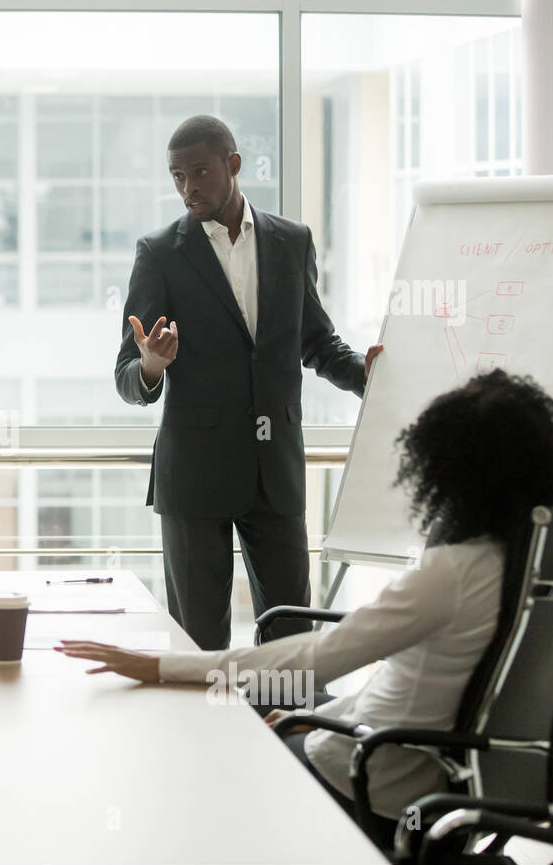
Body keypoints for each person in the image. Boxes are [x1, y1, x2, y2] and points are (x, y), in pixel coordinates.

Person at [58, 370, 553, 833]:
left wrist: (162, 666)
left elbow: (313, 659)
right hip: (437, 775)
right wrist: (321, 717)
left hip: (370, 779)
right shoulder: (537, 560)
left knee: (203, 785)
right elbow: (416, 685)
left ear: (451, 471)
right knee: (266, 732)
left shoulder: (453, 574)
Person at [114, 114, 383, 651]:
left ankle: (286, 736)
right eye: (176, 175)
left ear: (233, 165)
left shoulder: (291, 241)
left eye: (200, 171)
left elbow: (316, 341)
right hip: (194, 479)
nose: (188, 187)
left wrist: (367, 377)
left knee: (291, 641)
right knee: (198, 646)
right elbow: (126, 374)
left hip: (274, 472)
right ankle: (204, 738)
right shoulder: (160, 254)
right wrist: (150, 366)